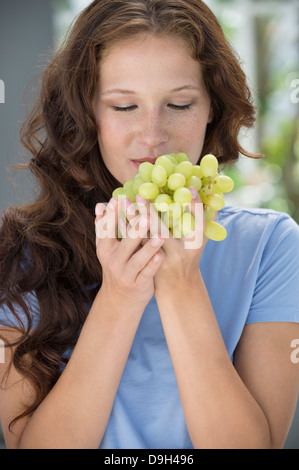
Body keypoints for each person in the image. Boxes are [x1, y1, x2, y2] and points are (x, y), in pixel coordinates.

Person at [0, 0, 299, 450]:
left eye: (179, 103)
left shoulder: (272, 246)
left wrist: (181, 285)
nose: (153, 133)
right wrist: (119, 297)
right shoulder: (19, 253)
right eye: (124, 107)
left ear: (213, 108)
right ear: (88, 114)